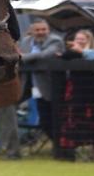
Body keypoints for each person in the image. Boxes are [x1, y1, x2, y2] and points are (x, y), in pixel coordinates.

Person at [54, 29, 94, 162]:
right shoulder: (71, 53)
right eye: (77, 38)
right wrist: (75, 50)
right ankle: (75, 153)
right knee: (74, 119)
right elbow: (64, 55)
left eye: (83, 39)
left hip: (92, 90)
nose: (79, 41)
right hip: (75, 90)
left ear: (89, 40)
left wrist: (83, 51)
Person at [19, 17, 65, 149]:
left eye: (43, 29)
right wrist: (25, 57)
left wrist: (23, 57)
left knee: (55, 118)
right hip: (32, 86)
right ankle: (57, 145)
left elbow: (45, 55)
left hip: (52, 85)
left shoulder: (55, 40)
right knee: (45, 120)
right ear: (32, 31)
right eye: (37, 30)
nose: (41, 32)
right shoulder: (26, 41)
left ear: (48, 30)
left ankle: (60, 147)